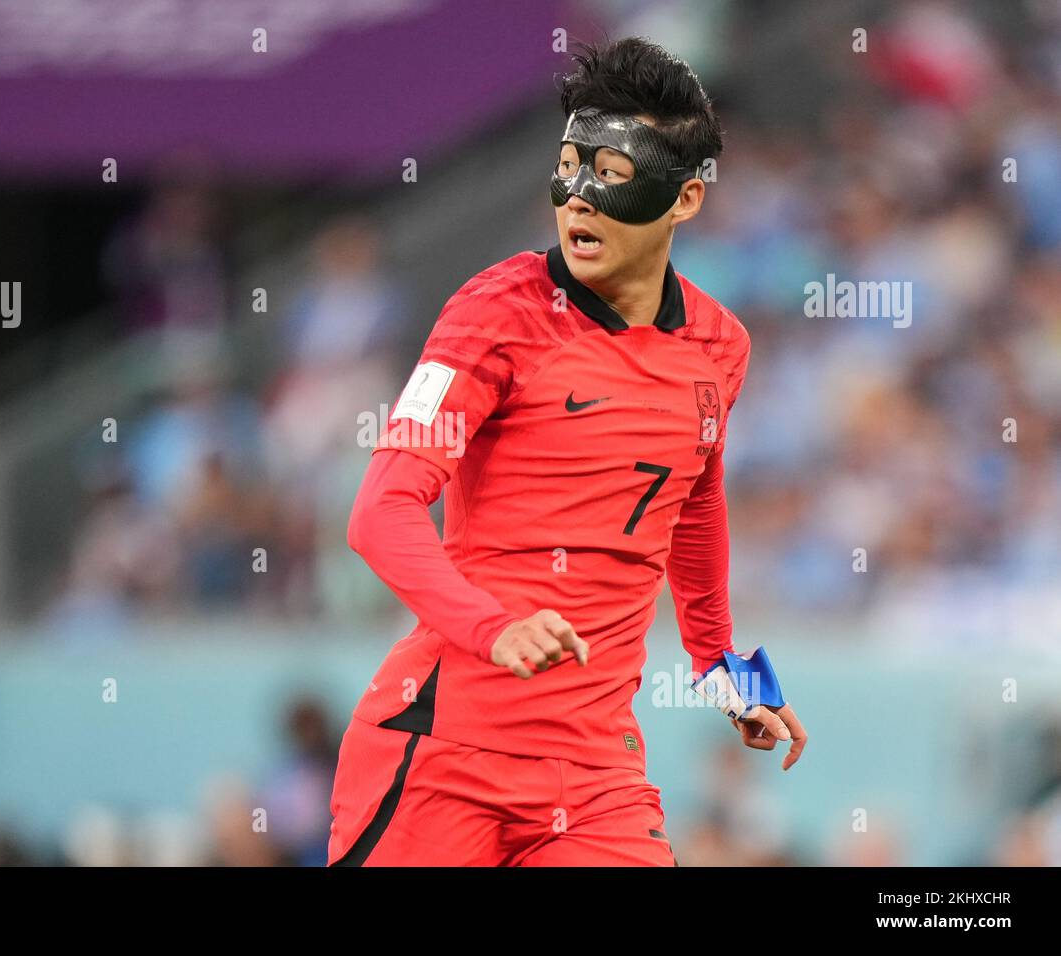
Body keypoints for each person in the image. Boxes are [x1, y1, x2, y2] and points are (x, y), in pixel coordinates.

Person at [329, 37, 807, 867]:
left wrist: (727, 670)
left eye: (612, 175)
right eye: (569, 167)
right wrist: (494, 628)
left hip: (595, 777)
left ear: (685, 197)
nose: (578, 199)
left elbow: (692, 508)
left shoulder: (719, 346)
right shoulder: (494, 315)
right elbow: (381, 511)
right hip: (441, 750)